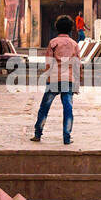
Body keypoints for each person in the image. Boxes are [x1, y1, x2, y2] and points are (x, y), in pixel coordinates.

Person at [31, 15, 79, 145]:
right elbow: (76, 66)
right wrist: (76, 86)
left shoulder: (53, 42)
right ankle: (67, 137)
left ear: (57, 28)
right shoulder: (74, 44)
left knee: (44, 107)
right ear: (70, 29)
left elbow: (48, 63)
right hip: (68, 80)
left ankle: (38, 134)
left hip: (54, 79)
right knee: (68, 108)